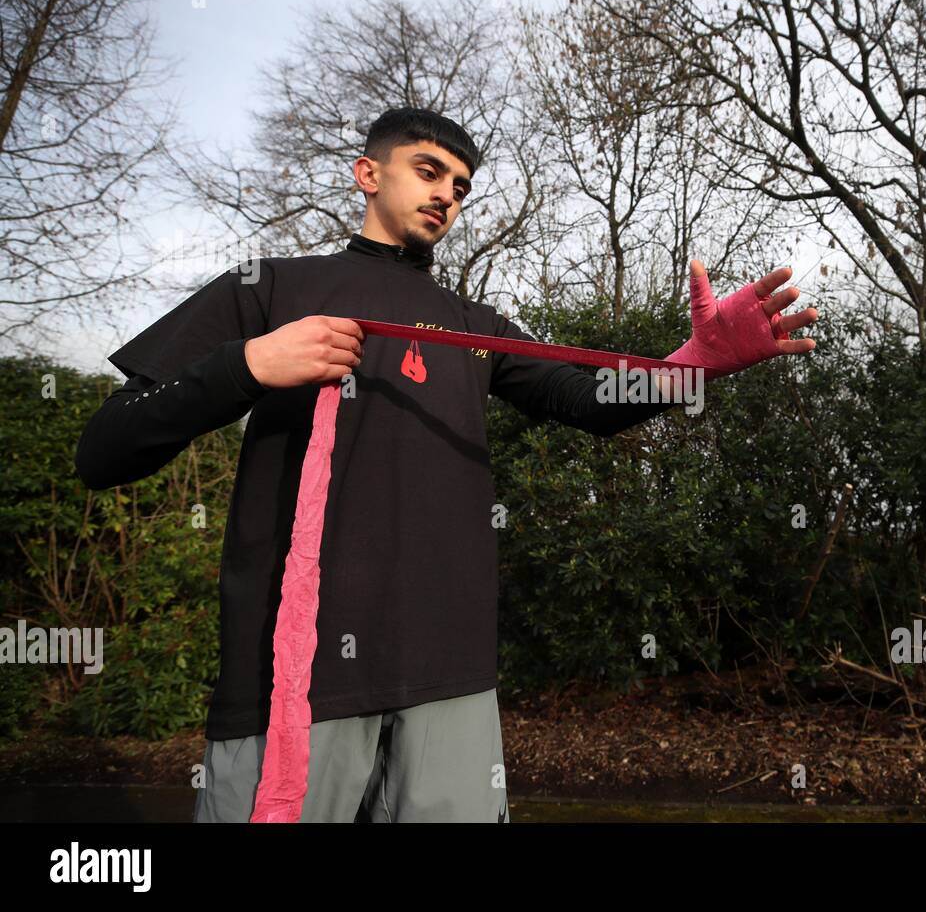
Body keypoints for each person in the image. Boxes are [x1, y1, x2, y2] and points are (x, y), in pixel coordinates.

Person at [74, 106, 817, 822]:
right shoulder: (270, 288)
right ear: (367, 173)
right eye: (428, 171)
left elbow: (587, 401)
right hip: (295, 684)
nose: (446, 195)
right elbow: (106, 446)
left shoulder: (471, 324)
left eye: (460, 186)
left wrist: (693, 366)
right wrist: (249, 365)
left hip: (450, 680)